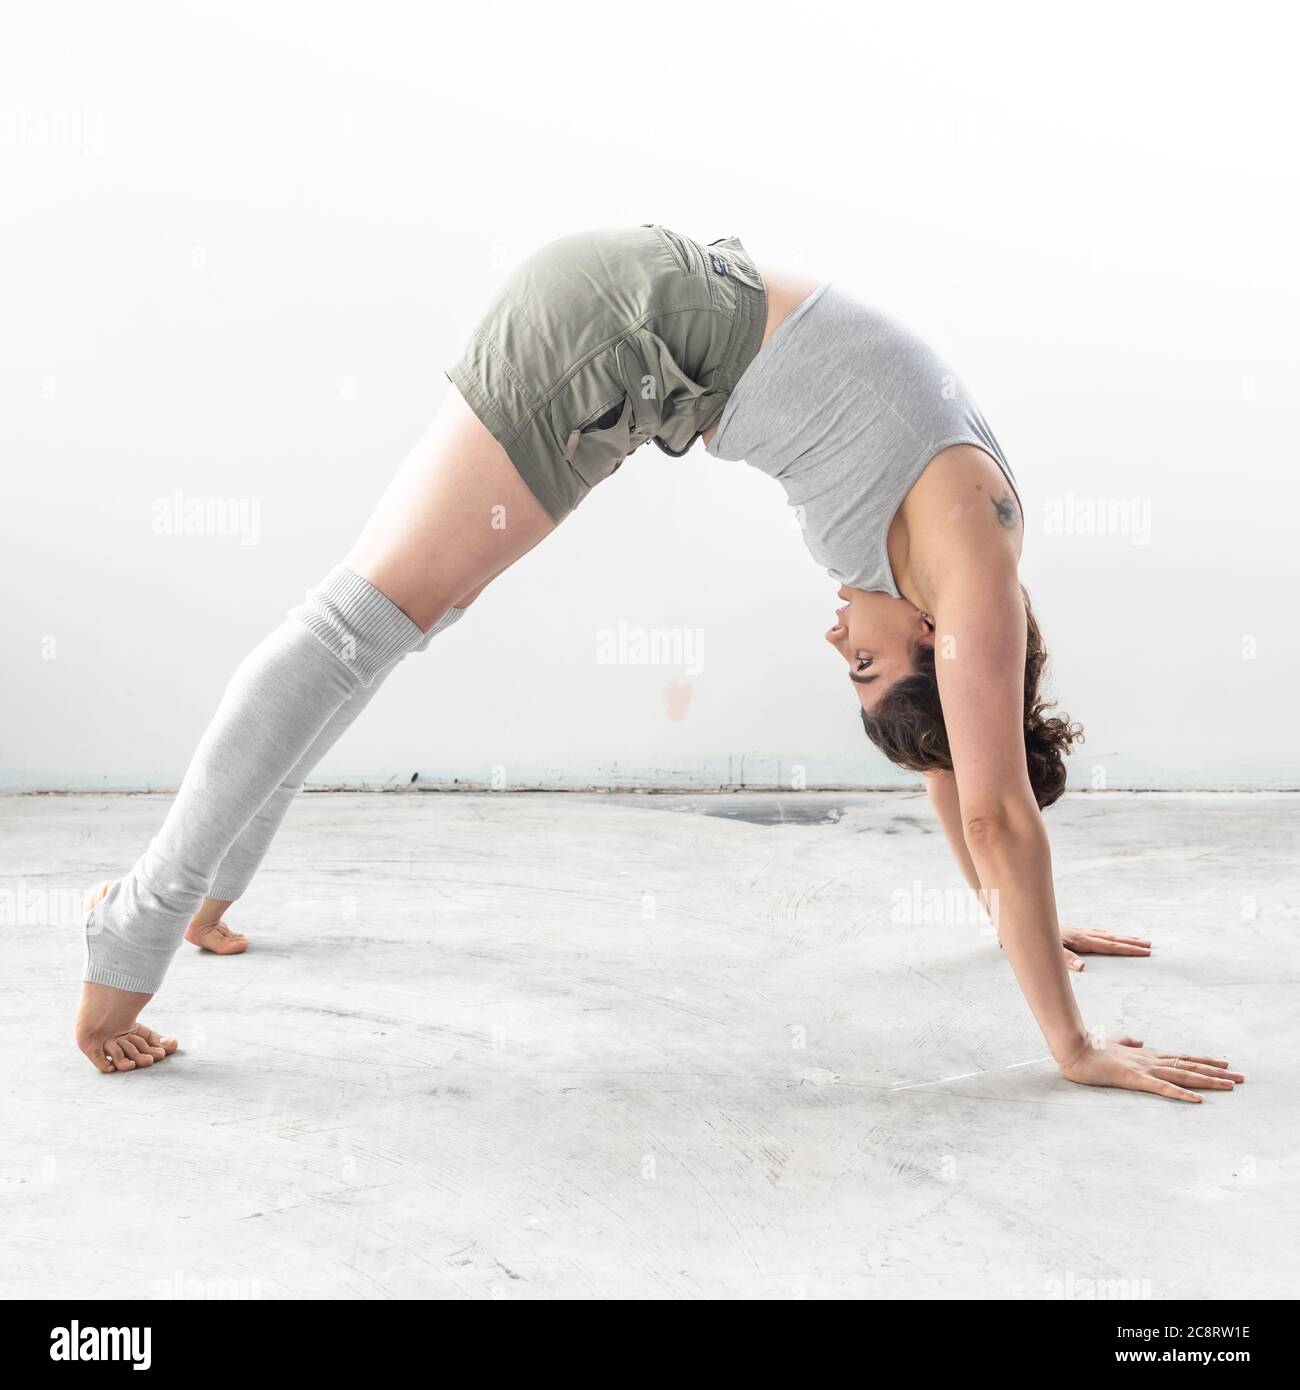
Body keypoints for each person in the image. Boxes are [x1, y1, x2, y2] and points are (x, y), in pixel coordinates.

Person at [77, 225, 1243, 1102]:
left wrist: (1019, 921)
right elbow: (992, 806)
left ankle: (212, 894)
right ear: (938, 644)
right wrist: (1071, 1044)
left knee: (391, 623)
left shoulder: (952, 582)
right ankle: (128, 932)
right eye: (861, 668)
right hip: (614, 334)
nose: (836, 639)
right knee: (361, 622)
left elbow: (956, 763)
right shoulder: (972, 572)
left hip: (633, 326)